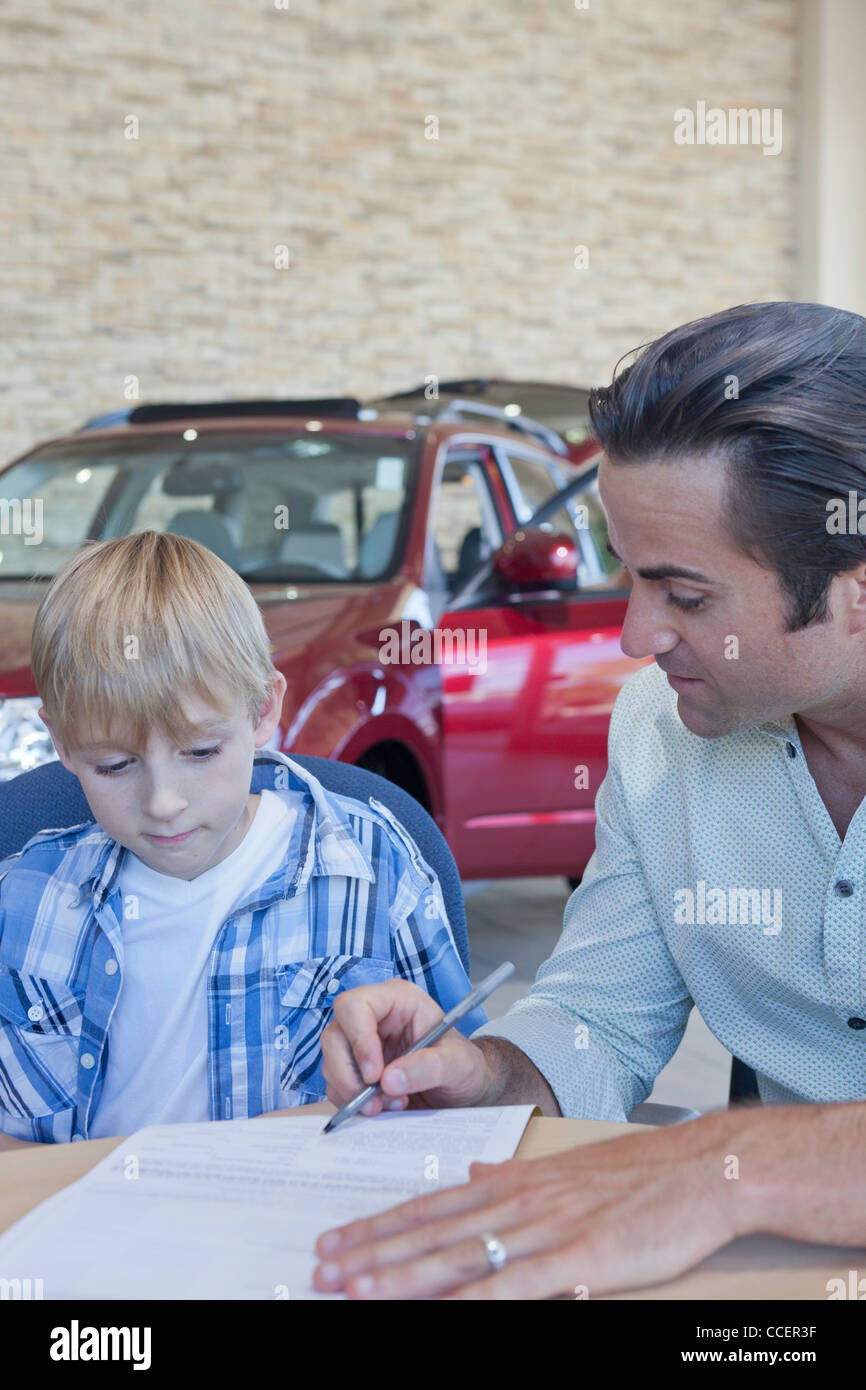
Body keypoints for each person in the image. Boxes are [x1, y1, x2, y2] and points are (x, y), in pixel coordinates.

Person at [313, 300, 866, 1300]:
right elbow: (601, 1018)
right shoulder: (657, 731)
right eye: (625, 577)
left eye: (682, 595)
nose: (632, 636)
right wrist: (487, 1072)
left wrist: (717, 1170)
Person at [0, 530, 483, 1147]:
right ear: (62, 743)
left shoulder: (374, 869)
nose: (163, 802)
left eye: (200, 752)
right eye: (115, 766)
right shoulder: (24, 897)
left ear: (262, 711)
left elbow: (463, 1097)